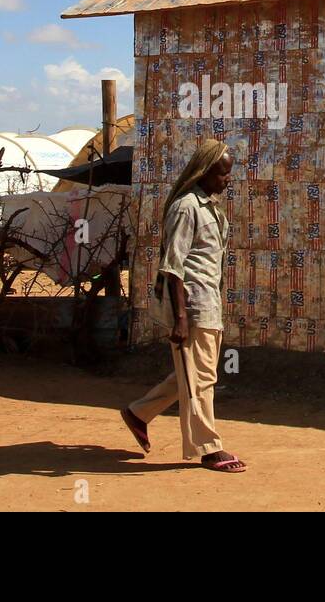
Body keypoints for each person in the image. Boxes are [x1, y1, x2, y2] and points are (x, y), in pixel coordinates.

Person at [120, 139, 246, 472]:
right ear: (203, 172)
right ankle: (208, 448)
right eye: (222, 174)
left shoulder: (210, 207)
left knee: (193, 375)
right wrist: (180, 319)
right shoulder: (186, 207)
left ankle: (138, 413)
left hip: (209, 302)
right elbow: (173, 266)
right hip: (192, 306)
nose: (226, 180)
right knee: (201, 379)